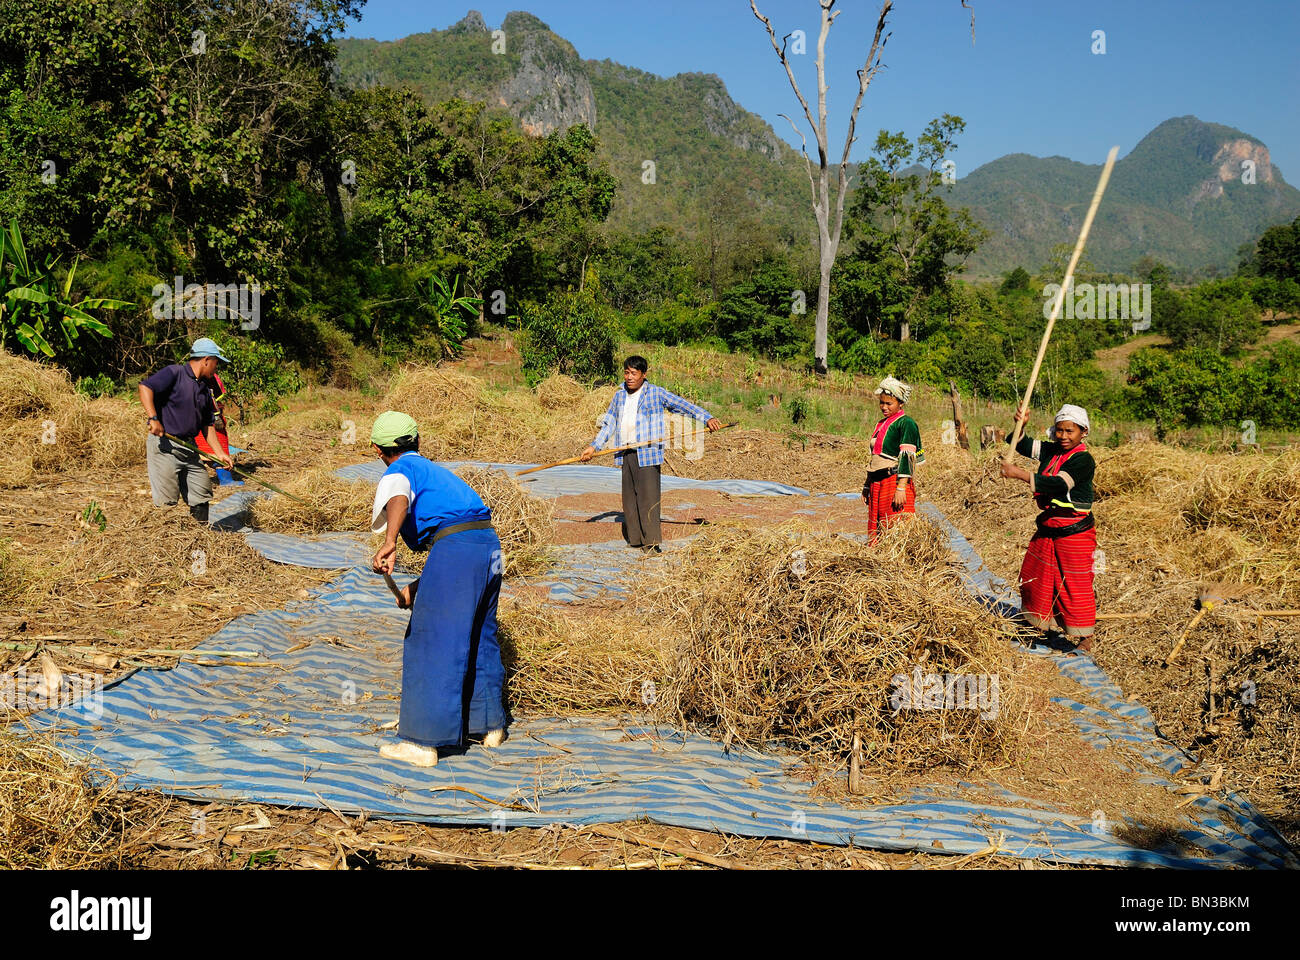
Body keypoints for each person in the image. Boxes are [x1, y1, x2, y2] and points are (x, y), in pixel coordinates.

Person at [369, 411, 506, 767]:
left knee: (432, 637)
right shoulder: (437, 472)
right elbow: (461, 536)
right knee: (479, 633)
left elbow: (398, 495)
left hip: (458, 549)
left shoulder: (401, 470)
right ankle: (488, 725)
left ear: (376, 449)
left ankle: (422, 742)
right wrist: (423, 586)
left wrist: (389, 542)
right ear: (418, 441)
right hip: (488, 546)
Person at [579, 356, 721, 553]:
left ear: (643, 375)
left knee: (648, 498)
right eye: (627, 373)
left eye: (634, 373)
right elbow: (609, 423)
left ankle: (651, 543)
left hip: (647, 452)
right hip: (626, 451)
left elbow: (683, 405)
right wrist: (594, 447)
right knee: (630, 499)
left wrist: (707, 418)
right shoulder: (619, 395)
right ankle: (635, 539)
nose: (629, 377)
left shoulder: (655, 393)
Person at [998, 403, 1097, 653]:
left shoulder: (1083, 460)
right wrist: (1022, 423)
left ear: (1083, 432)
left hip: (1074, 531)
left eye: (1070, 431)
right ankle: (1036, 625)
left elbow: (1057, 485)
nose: (1063, 436)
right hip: (1049, 526)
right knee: (1035, 576)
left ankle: (1085, 636)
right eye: (1060, 431)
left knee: (1074, 583)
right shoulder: (1052, 450)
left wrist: (1019, 474)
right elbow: (1018, 443)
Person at [138, 338, 233, 523]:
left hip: (189, 447)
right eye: (216, 362)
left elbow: (207, 425)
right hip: (166, 447)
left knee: (202, 491)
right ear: (206, 360)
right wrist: (153, 418)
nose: (216, 368)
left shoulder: (204, 388)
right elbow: (145, 387)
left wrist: (219, 454)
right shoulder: (175, 373)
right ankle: (166, 543)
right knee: (167, 501)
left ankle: (200, 538)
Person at [861, 376, 924, 542]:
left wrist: (901, 488)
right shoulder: (881, 423)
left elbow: (907, 456)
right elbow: (875, 457)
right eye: (882, 403)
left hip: (893, 481)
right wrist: (867, 485)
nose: (884, 407)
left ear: (900, 403)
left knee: (895, 527)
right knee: (878, 529)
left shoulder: (906, 423)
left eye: (889, 404)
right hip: (877, 482)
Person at [194, 370, 241, 486]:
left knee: (200, 453)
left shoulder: (192, 379)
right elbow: (211, 399)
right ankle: (226, 480)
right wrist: (216, 415)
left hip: (199, 420)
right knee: (219, 448)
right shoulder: (206, 379)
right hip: (210, 420)